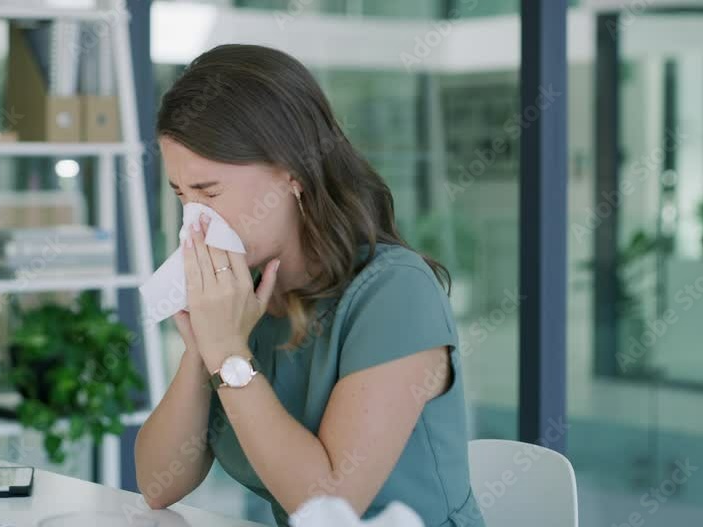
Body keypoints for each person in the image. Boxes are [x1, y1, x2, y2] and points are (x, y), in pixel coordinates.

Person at [134, 44, 485, 527]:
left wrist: (230, 353)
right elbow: (158, 484)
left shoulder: (395, 293)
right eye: (181, 195)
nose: (193, 222)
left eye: (209, 192)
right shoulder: (245, 297)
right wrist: (203, 349)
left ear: (294, 173)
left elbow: (328, 506)